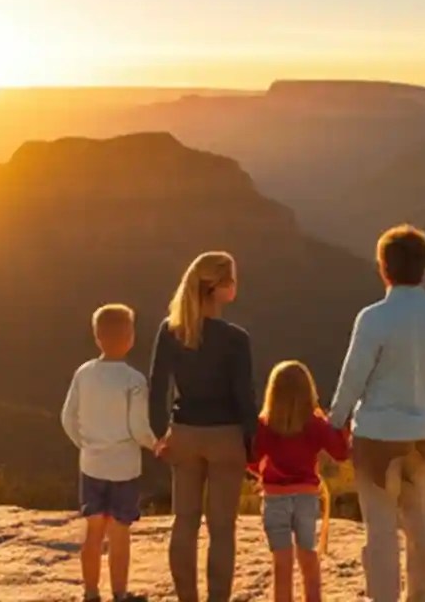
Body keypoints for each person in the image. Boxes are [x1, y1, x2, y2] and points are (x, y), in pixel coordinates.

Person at [328, 225, 425, 602]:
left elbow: (353, 378)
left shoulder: (373, 318)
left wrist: (334, 423)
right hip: (423, 431)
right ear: (424, 267)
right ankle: (423, 594)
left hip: (378, 436)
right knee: (420, 520)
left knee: (380, 530)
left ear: (384, 268)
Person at [149, 251, 257, 602]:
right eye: (233, 280)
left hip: (184, 434)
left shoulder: (170, 331)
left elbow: (157, 388)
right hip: (226, 438)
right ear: (222, 288)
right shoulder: (236, 339)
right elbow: (245, 397)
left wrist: (158, 434)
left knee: (185, 523)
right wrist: (252, 446)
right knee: (222, 529)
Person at [61, 304, 157, 602]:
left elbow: (67, 417)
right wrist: (156, 445)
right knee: (119, 533)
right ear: (130, 338)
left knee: (93, 531)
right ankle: (119, 593)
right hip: (124, 468)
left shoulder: (84, 373)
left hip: (92, 464)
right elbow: (139, 427)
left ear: (96, 337)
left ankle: (90, 592)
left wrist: (87, 445)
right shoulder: (134, 380)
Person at [250, 360, 351, 602]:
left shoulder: (264, 426)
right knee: (308, 557)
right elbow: (341, 452)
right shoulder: (315, 425)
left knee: (282, 562)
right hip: (306, 498)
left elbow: (249, 457)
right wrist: (341, 424)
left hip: (274, 498)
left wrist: (262, 471)